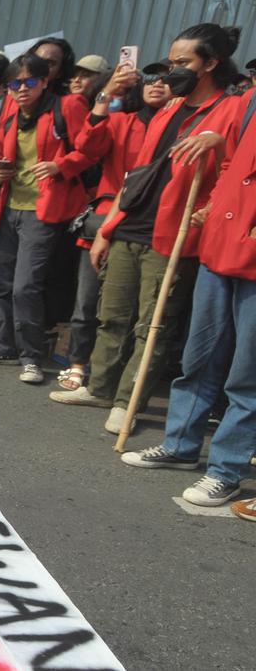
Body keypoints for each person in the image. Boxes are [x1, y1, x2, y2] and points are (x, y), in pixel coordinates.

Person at [57, 24, 242, 435]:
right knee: (113, 316)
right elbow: (136, 174)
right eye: (171, 62)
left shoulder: (231, 112)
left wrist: (209, 209)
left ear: (210, 63)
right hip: (131, 226)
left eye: (183, 63)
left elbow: (235, 173)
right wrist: (108, 227)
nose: (173, 70)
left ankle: (128, 402)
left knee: (153, 326)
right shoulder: (168, 110)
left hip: (174, 235)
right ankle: (102, 388)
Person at [121, 72, 254, 508]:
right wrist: (214, 207)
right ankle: (179, 445)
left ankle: (226, 469)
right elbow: (235, 166)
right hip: (221, 249)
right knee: (200, 357)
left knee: (245, 377)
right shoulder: (248, 102)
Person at [0, 53, 91, 384]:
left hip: (43, 209)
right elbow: (6, 161)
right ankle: (4, 345)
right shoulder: (8, 114)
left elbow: (90, 149)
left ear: (46, 81)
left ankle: (31, 356)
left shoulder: (67, 107)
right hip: (9, 206)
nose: (22, 89)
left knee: (26, 286)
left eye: (30, 82)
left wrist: (60, 166)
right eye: (15, 83)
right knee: (3, 284)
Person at [48, 62, 171, 394]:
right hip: (105, 221)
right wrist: (106, 95)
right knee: (88, 302)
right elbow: (87, 146)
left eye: (165, 79)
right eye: (149, 79)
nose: (156, 84)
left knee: (136, 310)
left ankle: (122, 375)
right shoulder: (120, 121)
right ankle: (78, 364)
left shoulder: (182, 128)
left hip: (154, 227)